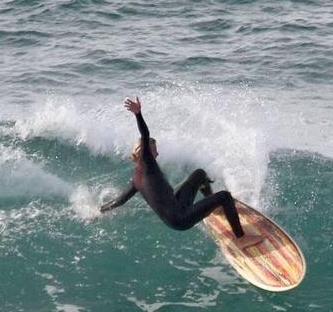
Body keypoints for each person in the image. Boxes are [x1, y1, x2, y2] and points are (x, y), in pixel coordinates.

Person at [100, 96, 255, 246]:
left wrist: (100, 211)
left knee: (199, 174)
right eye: (154, 151)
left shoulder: (137, 179)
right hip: (181, 219)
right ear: (145, 153)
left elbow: (120, 200)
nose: (157, 154)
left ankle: (215, 206)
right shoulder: (147, 163)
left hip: (176, 206)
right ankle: (241, 238)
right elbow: (145, 134)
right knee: (225, 196)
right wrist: (138, 114)